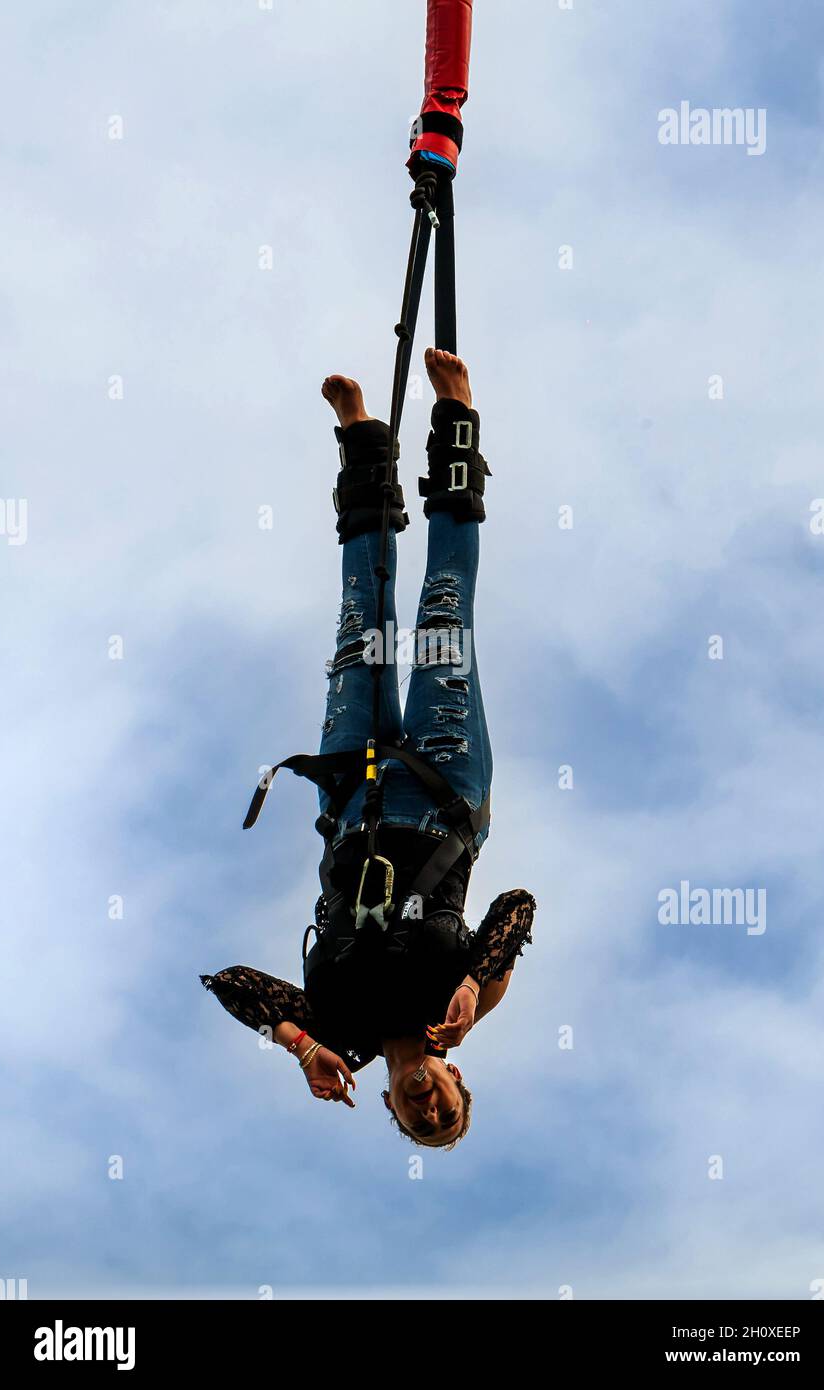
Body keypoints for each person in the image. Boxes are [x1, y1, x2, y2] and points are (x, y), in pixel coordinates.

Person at [202, 348, 536, 1148]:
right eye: (446, 1109)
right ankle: (456, 419)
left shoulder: (336, 1027)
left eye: (418, 1120)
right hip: (445, 789)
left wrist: (305, 1047)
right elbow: (516, 908)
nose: (428, 1106)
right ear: (455, 1082)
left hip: (350, 798)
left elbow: (233, 984)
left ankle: (360, 445)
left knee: (359, 620)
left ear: (388, 1106)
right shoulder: (465, 1004)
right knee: (442, 611)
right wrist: (472, 985)